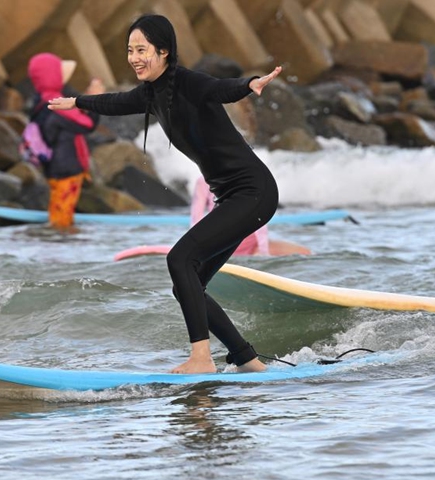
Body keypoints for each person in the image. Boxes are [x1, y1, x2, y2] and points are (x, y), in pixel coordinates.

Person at [48, 14, 283, 374]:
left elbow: (220, 88)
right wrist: (78, 101)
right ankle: (247, 360)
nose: (134, 58)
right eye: (130, 50)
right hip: (233, 197)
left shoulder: (189, 83)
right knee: (188, 284)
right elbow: (116, 102)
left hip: (253, 191)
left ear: (164, 51)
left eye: (142, 50)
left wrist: (249, 84)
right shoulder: (151, 93)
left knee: (180, 260)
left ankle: (201, 358)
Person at [27, 53, 105, 231]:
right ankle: (61, 241)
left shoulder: (41, 101)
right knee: (63, 216)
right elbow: (87, 124)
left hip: (52, 167)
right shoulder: (57, 105)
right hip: (67, 170)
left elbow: (72, 119)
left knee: (58, 209)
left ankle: (54, 238)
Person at [192, 177, 311, 257]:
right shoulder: (203, 181)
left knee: (305, 252)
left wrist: (263, 251)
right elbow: (196, 219)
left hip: (253, 245)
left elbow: (259, 216)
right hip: (222, 246)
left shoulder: (246, 177)